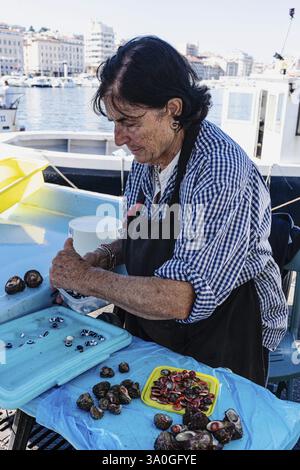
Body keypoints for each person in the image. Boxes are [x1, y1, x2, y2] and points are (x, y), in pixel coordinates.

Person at [50, 36, 288, 386]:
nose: (118, 137)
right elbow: (141, 232)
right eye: (114, 122)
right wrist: (102, 256)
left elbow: (182, 297)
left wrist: (85, 279)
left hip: (222, 335)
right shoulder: (149, 156)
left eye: (129, 121)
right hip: (155, 326)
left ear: (172, 110)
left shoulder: (218, 170)